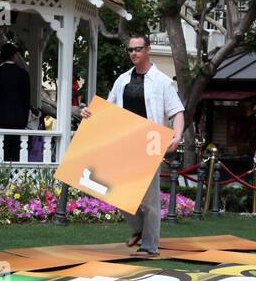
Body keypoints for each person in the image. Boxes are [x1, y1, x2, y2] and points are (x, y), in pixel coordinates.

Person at [79, 34, 185, 258]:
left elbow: (177, 112)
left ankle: (149, 246)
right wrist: (89, 112)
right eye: (130, 50)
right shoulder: (122, 80)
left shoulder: (163, 81)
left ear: (148, 49)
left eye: (138, 49)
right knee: (113, 190)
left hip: (150, 142)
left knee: (149, 199)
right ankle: (138, 229)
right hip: (125, 141)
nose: (134, 53)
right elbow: (108, 110)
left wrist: (176, 136)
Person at [0, 43, 31, 160]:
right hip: (19, 119)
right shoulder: (23, 74)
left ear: (1, 56)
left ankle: (2, 174)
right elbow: (26, 99)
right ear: (14, 56)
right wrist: (24, 119)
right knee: (16, 151)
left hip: (2, 117)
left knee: (1, 149)